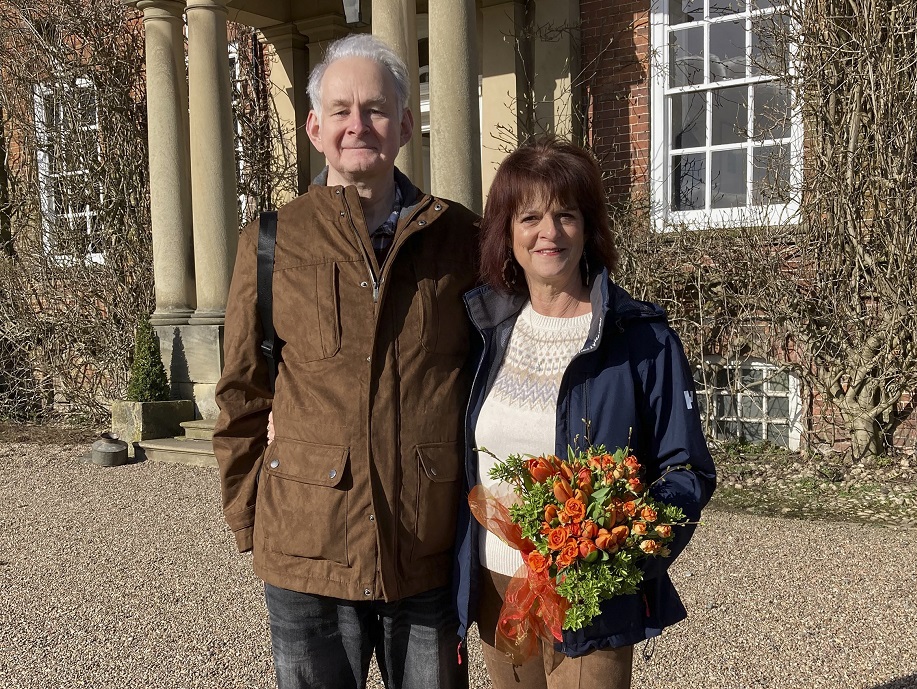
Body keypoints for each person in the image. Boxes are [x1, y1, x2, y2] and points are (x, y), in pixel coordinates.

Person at [213, 34, 479, 689]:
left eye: (376, 109)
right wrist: (253, 519)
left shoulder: (459, 238)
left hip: (424, 546)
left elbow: (493, 369)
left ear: (406, 124)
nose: (358, 124)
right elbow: (241, 392)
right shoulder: (270, 241)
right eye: (340, 110)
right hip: (306, 548)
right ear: (315, 128)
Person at [452, 136, 717, 689]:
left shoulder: (640, 339)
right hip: (497, 584)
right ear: (507, 233)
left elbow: (686, 469)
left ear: (588, 228)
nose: (548, 232)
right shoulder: (483, 333)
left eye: (565, 215)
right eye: (530, 217)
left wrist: (622, 551)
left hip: (589, 599)